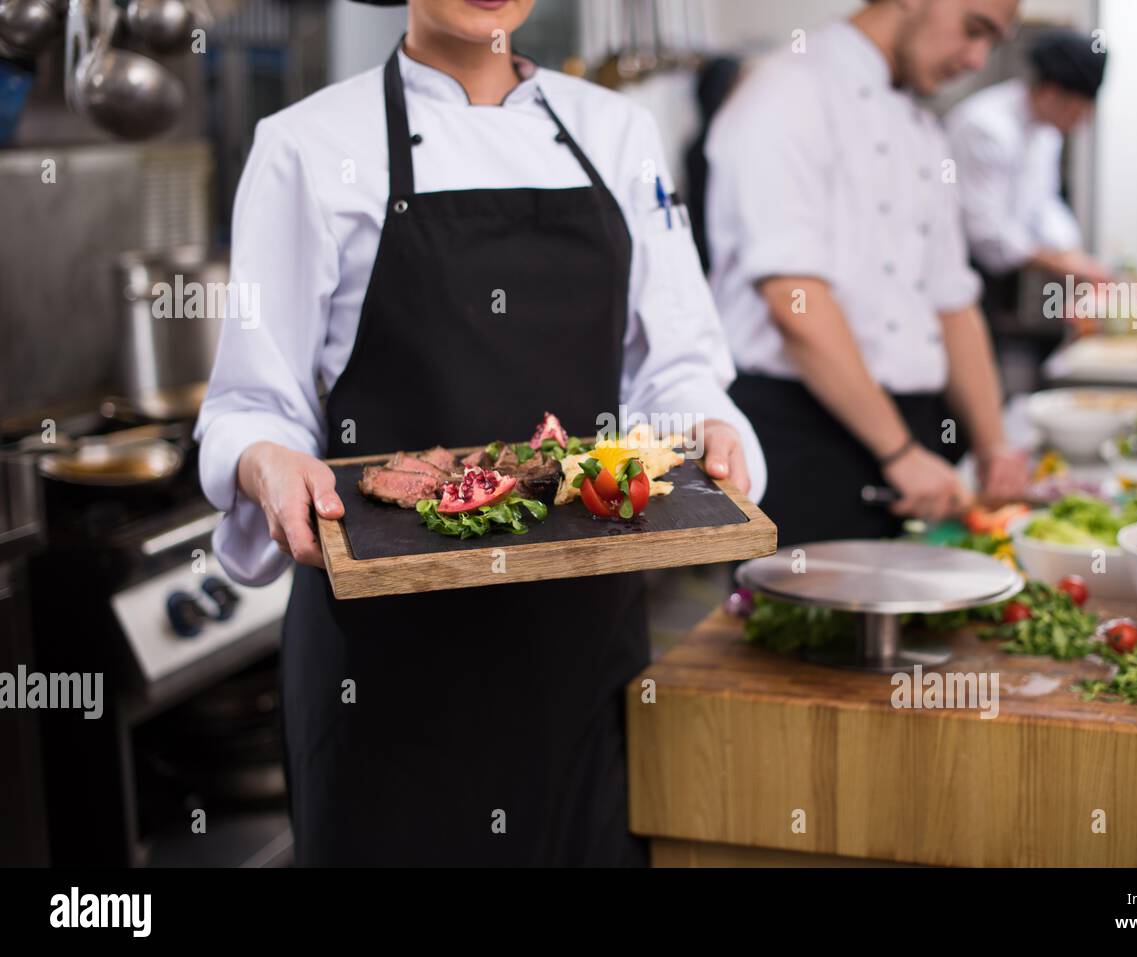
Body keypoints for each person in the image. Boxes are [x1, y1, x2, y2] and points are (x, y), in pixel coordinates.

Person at [194, 0, 764, 866]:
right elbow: (250, 404)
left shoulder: (618, 132)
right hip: (384, 665)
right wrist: (264, 461)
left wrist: (708, 424)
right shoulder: (304, 143)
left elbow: (675, 364)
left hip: (577, 645)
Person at [706, 0, 1027, 548]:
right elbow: (794, 299)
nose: (976, 59)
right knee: (806, 631)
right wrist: (899, 453)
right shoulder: (784, 93)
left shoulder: (922, 123)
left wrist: (994, 444)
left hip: (911, 440)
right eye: (974, 31)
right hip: (806, 437)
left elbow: (951, 299)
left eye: (991, 44)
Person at [946, 28, 1110, 288]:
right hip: (962, 266)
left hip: (1005, 266)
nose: (1081, 122)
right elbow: (984, 230)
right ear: (1051, 92)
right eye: (1077, 111)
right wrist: (1059, 262)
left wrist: (1071, 251)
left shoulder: (1046, 132)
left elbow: (1043, 201)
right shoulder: (985, 127)